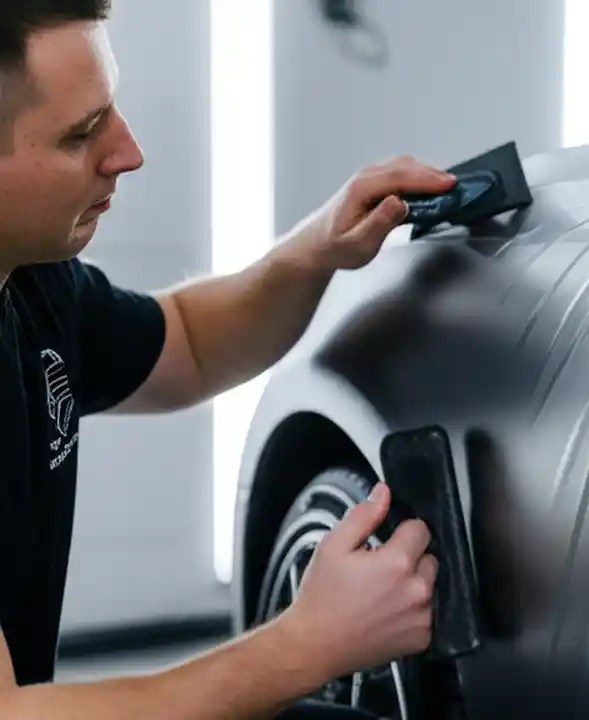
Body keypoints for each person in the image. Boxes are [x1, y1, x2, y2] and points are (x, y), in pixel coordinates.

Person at [0, 1, 455, 717]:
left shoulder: (32, 285)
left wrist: (316, 249)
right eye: (82, 133)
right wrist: (306, 644)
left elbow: (188, 341)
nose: (127, 151)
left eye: (110, 111)